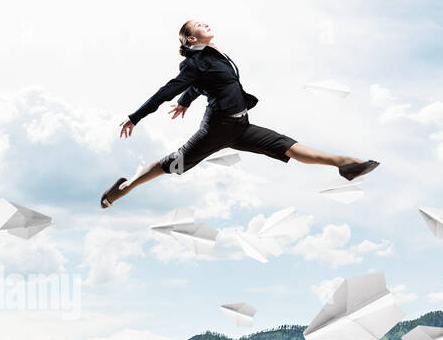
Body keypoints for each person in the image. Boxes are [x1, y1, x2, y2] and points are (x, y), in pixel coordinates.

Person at [101, 19, 377, 208]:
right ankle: (125, 188)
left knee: (288, 146)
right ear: (191, 38)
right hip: (217, 129)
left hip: (241, 126)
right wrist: (135, 117)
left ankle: (348, 164)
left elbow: (206, 83)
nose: (204, 23)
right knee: (173, 163)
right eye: (198, 25)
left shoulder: (210, 54)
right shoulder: (194, 63)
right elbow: (166, 91)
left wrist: (187, 100)